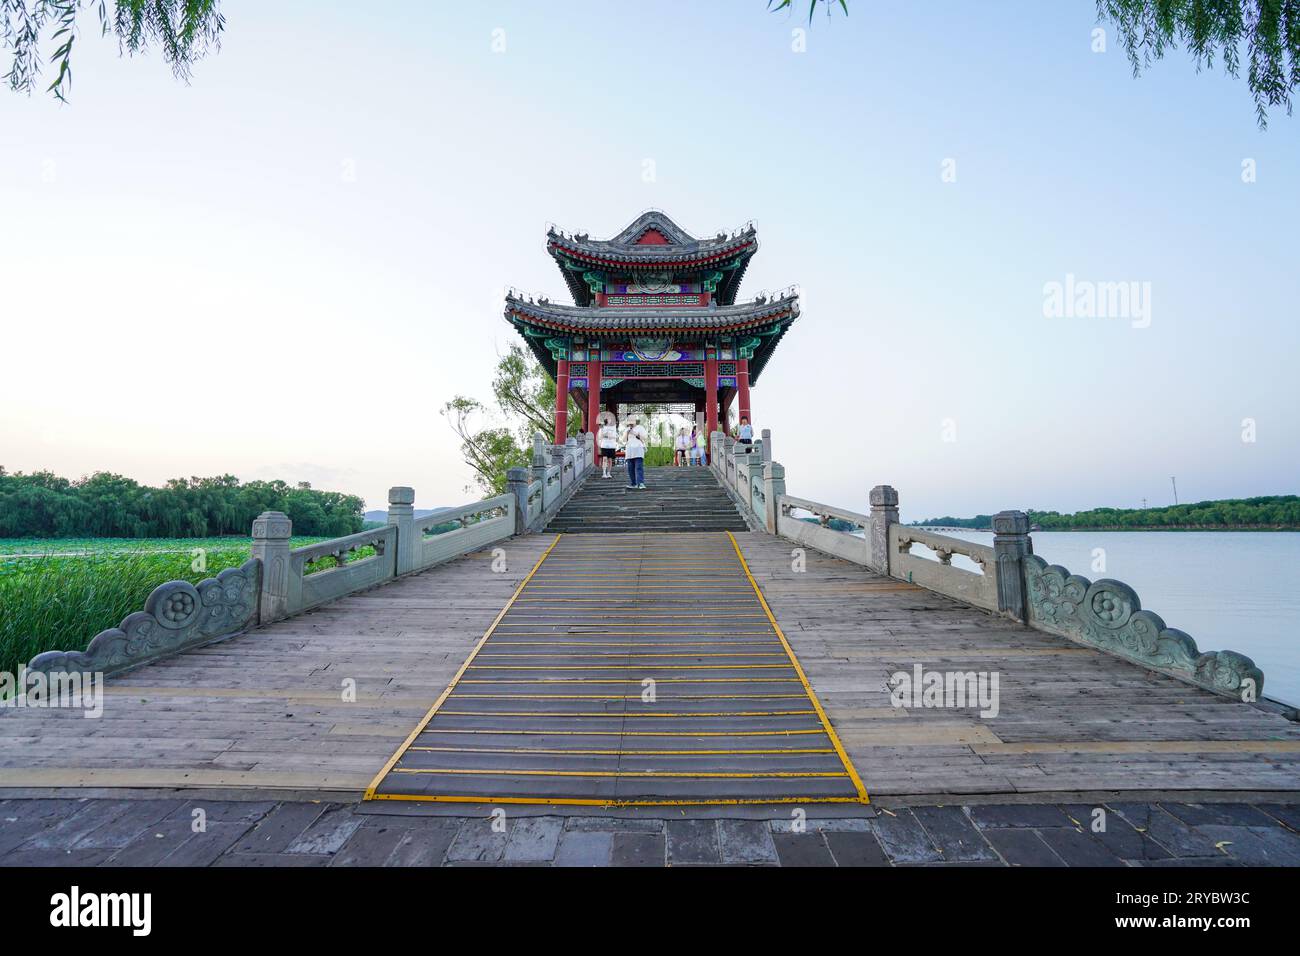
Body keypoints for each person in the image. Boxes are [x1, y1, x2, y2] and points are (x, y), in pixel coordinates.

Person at [624, 421, 647, 489]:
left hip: (638, 450)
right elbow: (624, 440)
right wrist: (627, 433)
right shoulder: (626, 429)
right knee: (630, 468)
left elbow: (644, 438)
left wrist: (635, 434)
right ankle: (633, 483)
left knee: (638, 467)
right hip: (629, 451)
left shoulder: (640, 428)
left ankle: (640, 483)